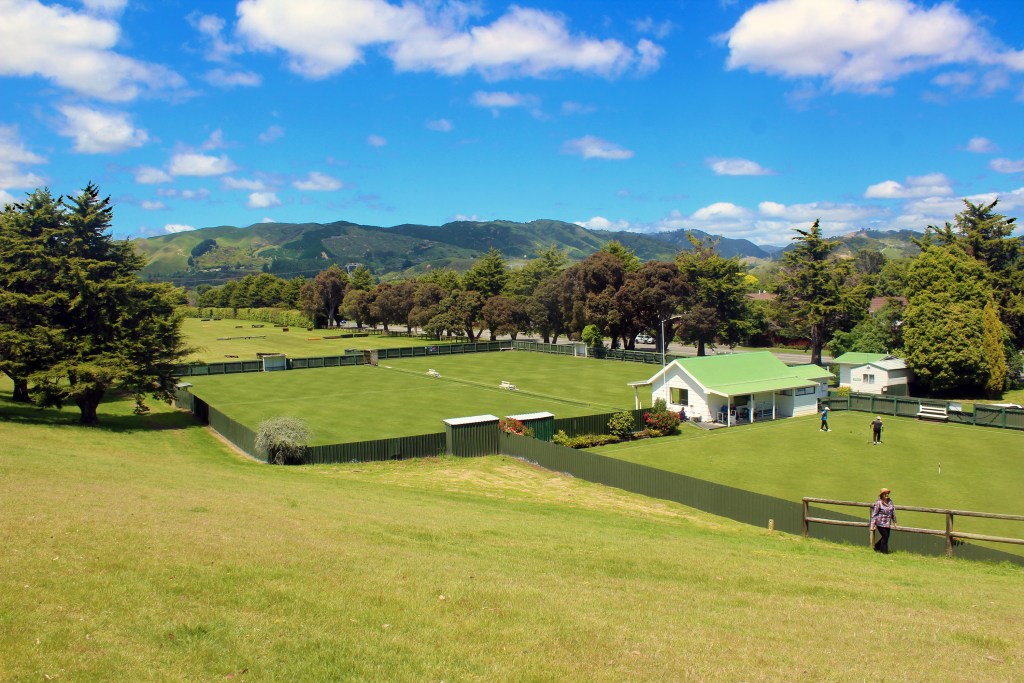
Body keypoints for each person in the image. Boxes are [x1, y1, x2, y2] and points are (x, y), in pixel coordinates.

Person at [870, 488, 897, 554]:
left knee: (886, 537)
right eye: (885, 493)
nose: (886, 494)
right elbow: (874, 514)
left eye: (887, 493)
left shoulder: (890, 501)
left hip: (887, 523)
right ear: (882, 495)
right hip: (880, 523)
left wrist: (894, 521)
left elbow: (893, 512)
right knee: (885, 537)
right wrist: (872, 525)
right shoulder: (878, 503)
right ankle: (884, 552)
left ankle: (876, 547)